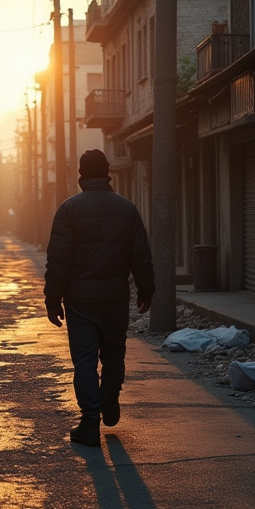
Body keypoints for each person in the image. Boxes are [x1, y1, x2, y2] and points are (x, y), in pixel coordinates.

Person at [43, 149, 154, 447]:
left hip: (80, 300)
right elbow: (141, 257)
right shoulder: (127, 209)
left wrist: (52, 300)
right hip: (115, 298)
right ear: (108, 174)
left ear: (81, 176)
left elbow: (58, 260)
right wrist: (146, 292)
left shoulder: (69, 209)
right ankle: (110, 399)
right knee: (114, 355)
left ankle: (90, 423)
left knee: (84, 361)